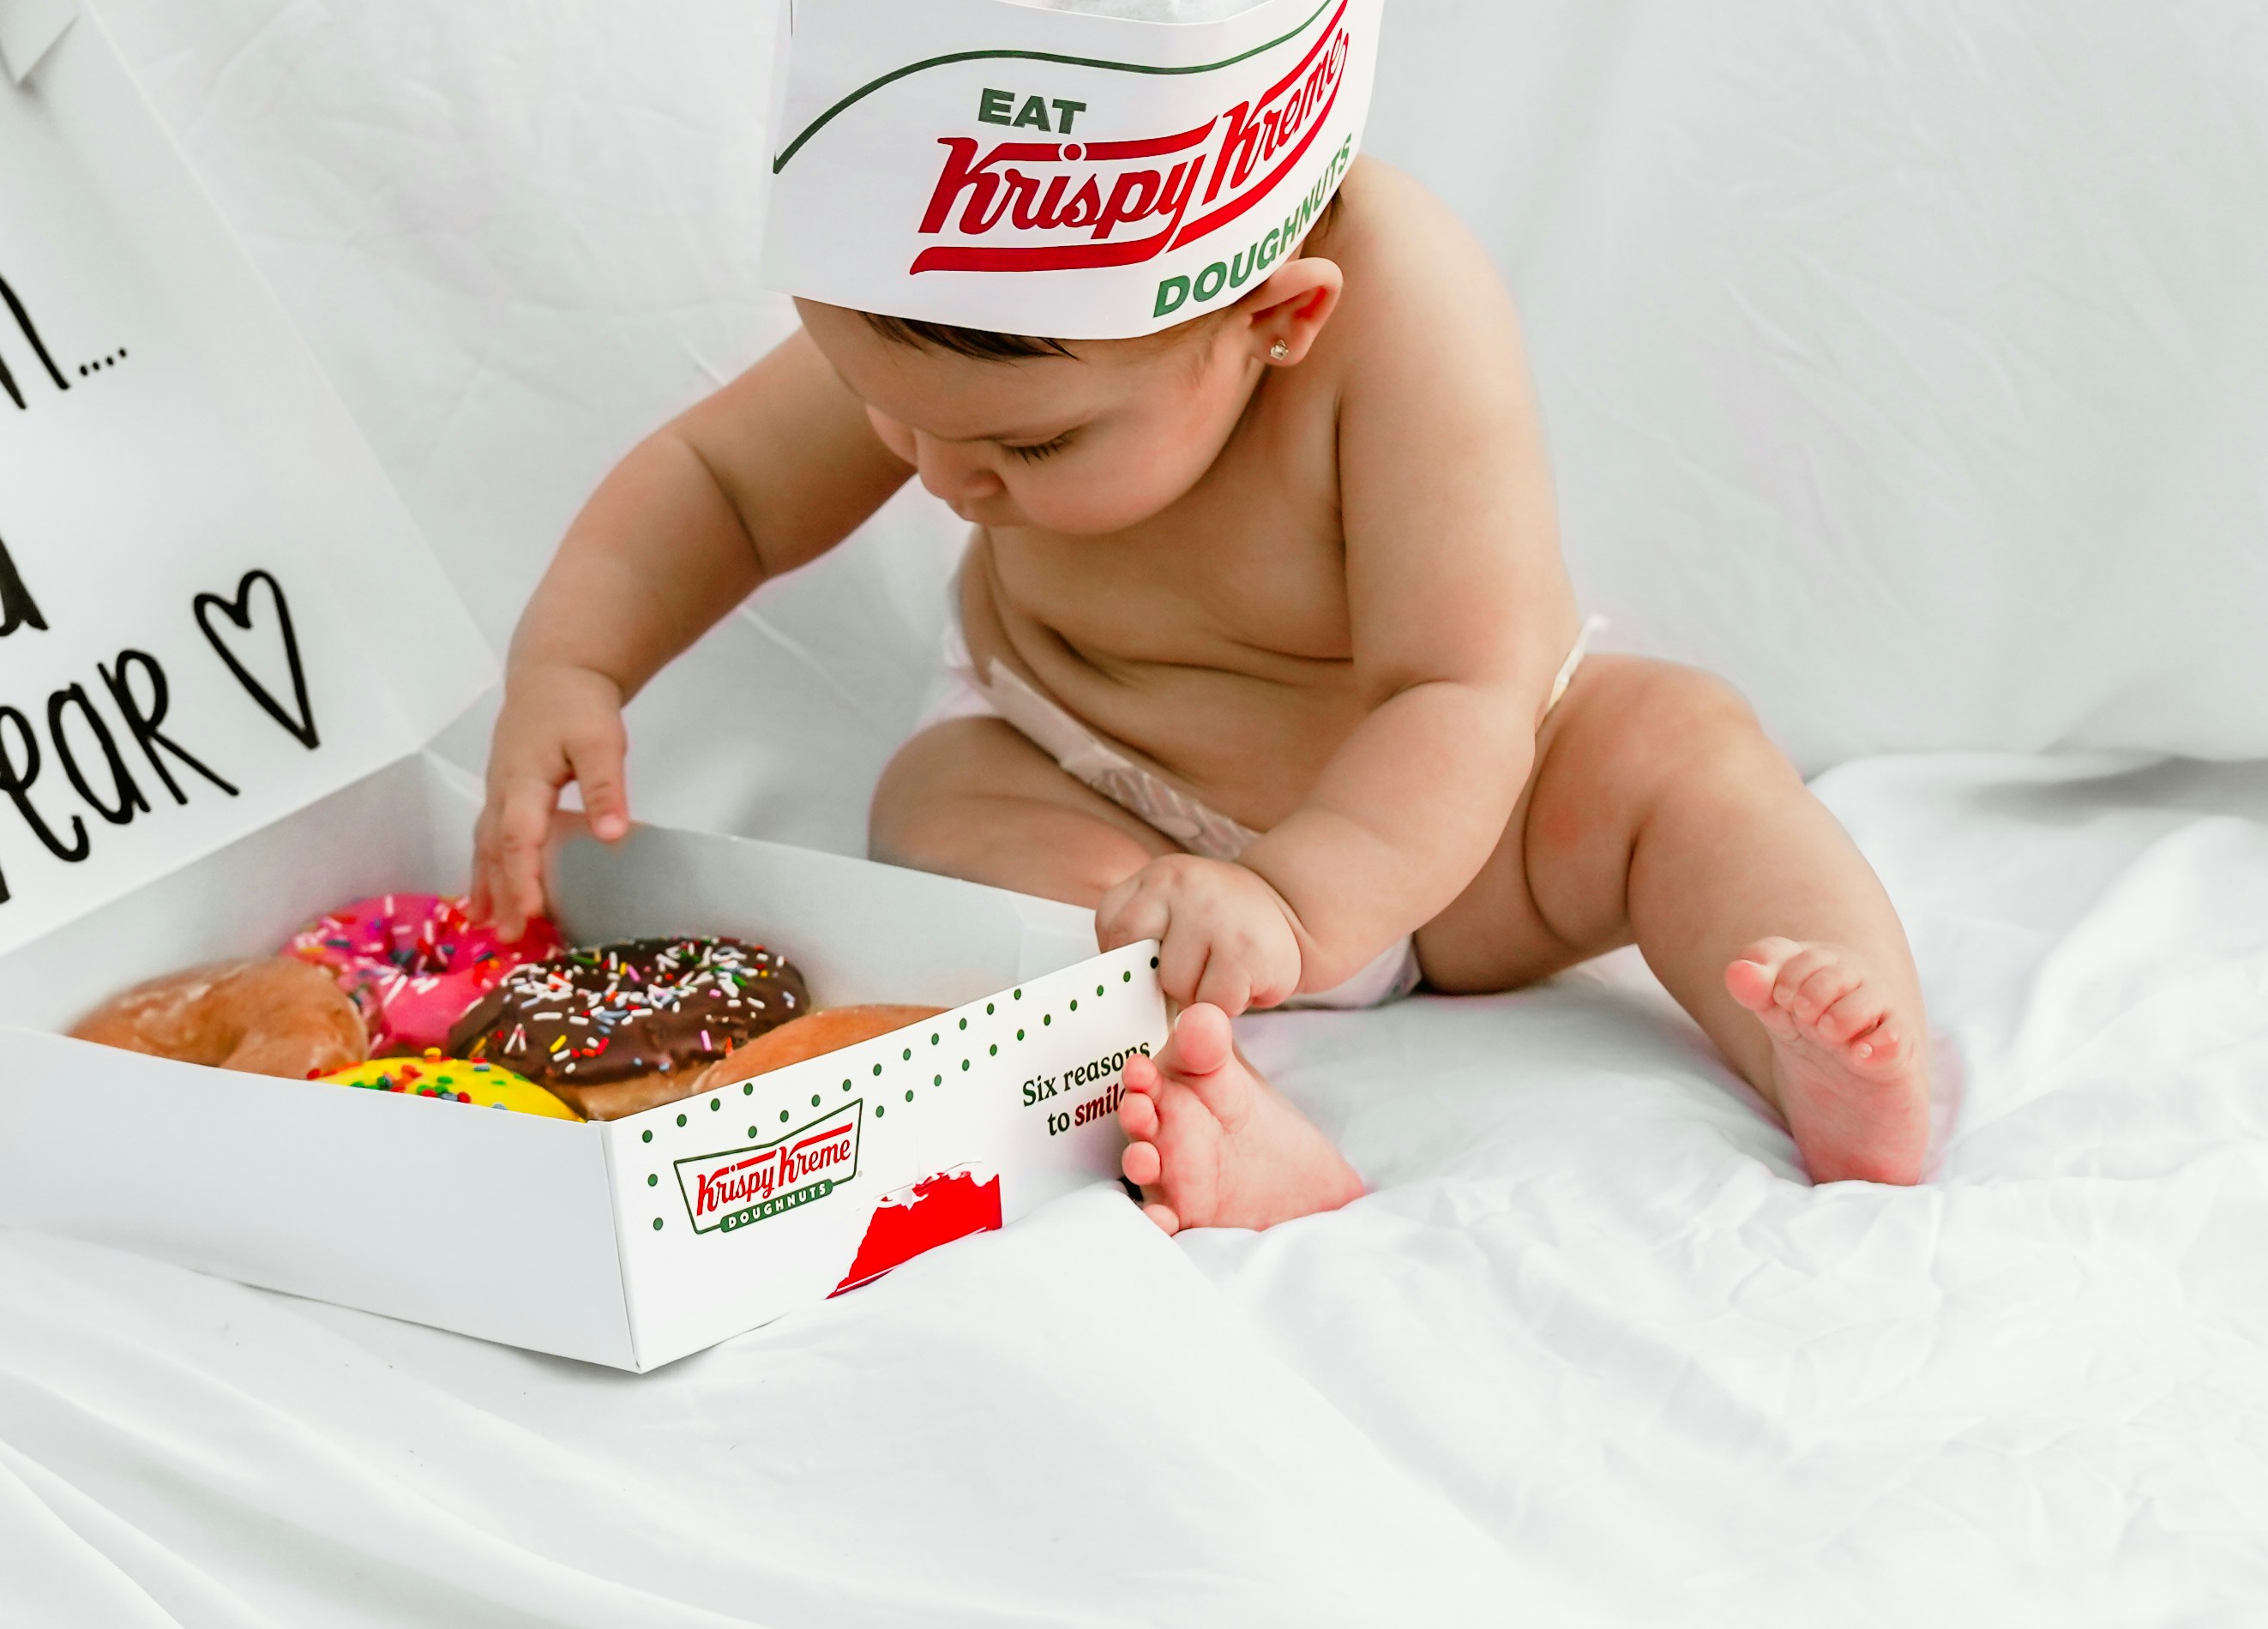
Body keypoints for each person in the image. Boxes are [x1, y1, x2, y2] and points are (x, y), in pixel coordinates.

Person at [468, 161, 1928, 1229]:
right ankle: (1225, 1121)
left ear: (1277, 320)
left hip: (1451, 810)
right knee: (945, 819)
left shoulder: (1405, 307)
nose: (936, 475)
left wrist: (1303, 900)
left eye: (1027, 452)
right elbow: (723, 484)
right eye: (887, 411)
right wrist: (575, 663)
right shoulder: (962, 293)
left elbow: (1459, 688)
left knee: (1683, 751)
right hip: (1082, 761)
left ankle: (1828, 1044)